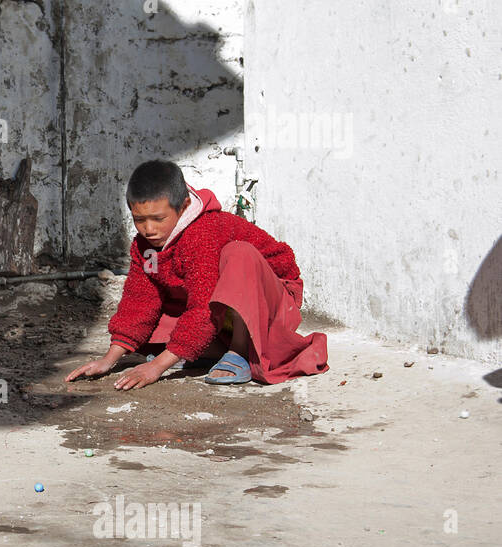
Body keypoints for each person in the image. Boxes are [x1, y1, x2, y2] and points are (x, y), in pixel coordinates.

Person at [65, 159, 328, 391]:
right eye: (139, 219)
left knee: (239, 254)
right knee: (148, 335)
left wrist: (157, 367)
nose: (148, 229)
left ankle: (239, 350)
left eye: (158, 218)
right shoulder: (144, 246)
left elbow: (203, 307)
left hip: (270, 306)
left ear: (184, 205)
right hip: (221, 312)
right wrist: (109, 360)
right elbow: (139, 300)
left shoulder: (204, 232)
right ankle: (212, 349)